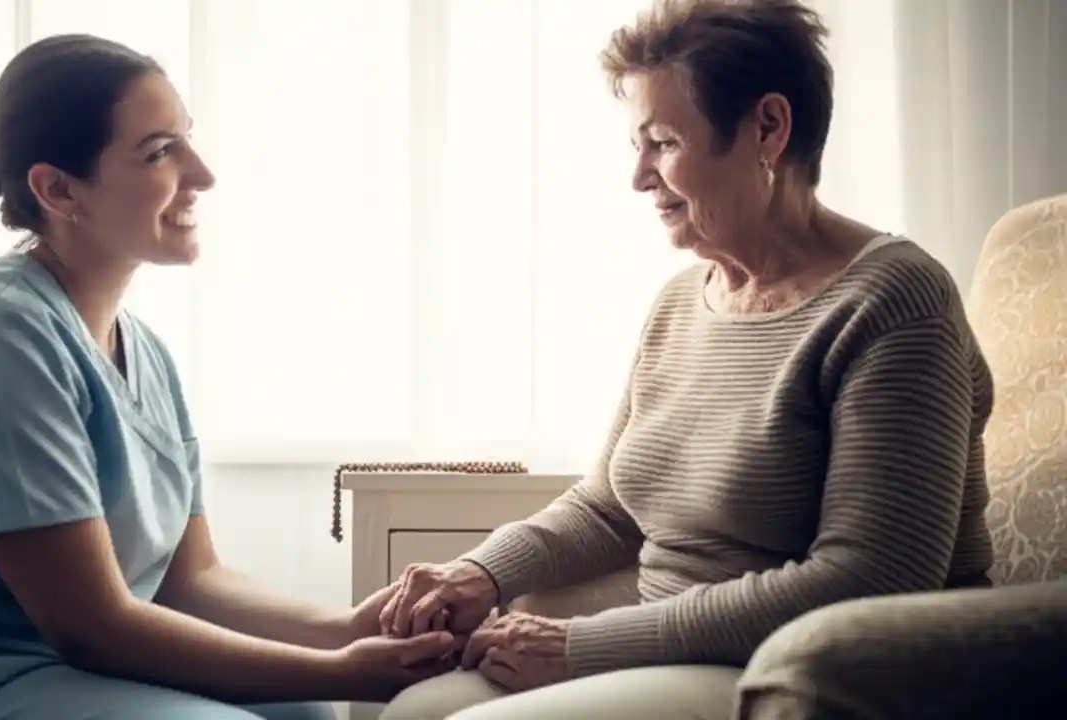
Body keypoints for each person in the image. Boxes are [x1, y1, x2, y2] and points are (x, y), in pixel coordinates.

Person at [0, 34, 455, 720]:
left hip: (48, 666)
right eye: (161, 151)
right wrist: (340, 669)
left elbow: (190, 580)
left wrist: (345, 632)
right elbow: (91, 623)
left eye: (187, 140)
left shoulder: (145, 354)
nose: (202, 173)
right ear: (57, 188)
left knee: (305, 709)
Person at [375, 1, 995, 718]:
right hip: (672, 647)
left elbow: (870, 579)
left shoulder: (894, 303)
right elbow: (608, 509)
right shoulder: (681, 301)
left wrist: (586, 644)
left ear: (768, 128)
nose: (640, 176)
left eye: (664, 142)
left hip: (812, 669)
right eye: (638, 145)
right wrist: (481, 572)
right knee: (416, 707)